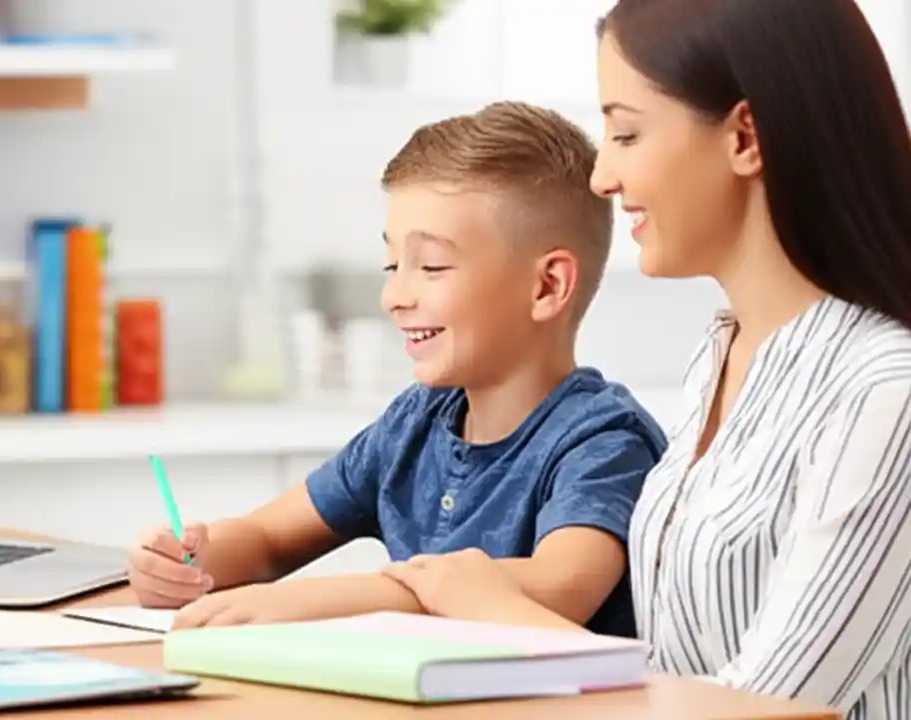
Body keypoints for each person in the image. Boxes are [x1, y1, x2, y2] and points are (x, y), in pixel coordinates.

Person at [382, 1, 911, 717]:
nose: (602, 177)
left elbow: (763, 708)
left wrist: (499, 609)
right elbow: (676, 670)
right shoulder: (721, 359)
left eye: (627, 133)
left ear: (745, 136)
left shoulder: (884, 393)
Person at [128, 101, 668, 636]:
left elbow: (560, 588)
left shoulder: (602, 443)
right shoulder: (416, 422)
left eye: (431, 266)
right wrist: (193, 559)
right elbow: (267, 538)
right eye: (392, 264)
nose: (394, 296)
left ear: (547, 286)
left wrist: (322, 599)